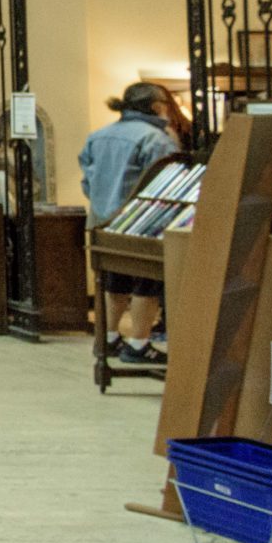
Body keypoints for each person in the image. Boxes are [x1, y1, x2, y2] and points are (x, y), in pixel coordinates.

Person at [79, 81, 182, 364]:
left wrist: (104, 203)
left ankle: (109, 338)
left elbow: (87, 181)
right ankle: (138, 343)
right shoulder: (156, 139)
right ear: (156, 106)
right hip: (141, 223)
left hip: (103, 221)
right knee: (146, 283)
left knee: (114, 282)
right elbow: (165, 185)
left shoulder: (98, 136)